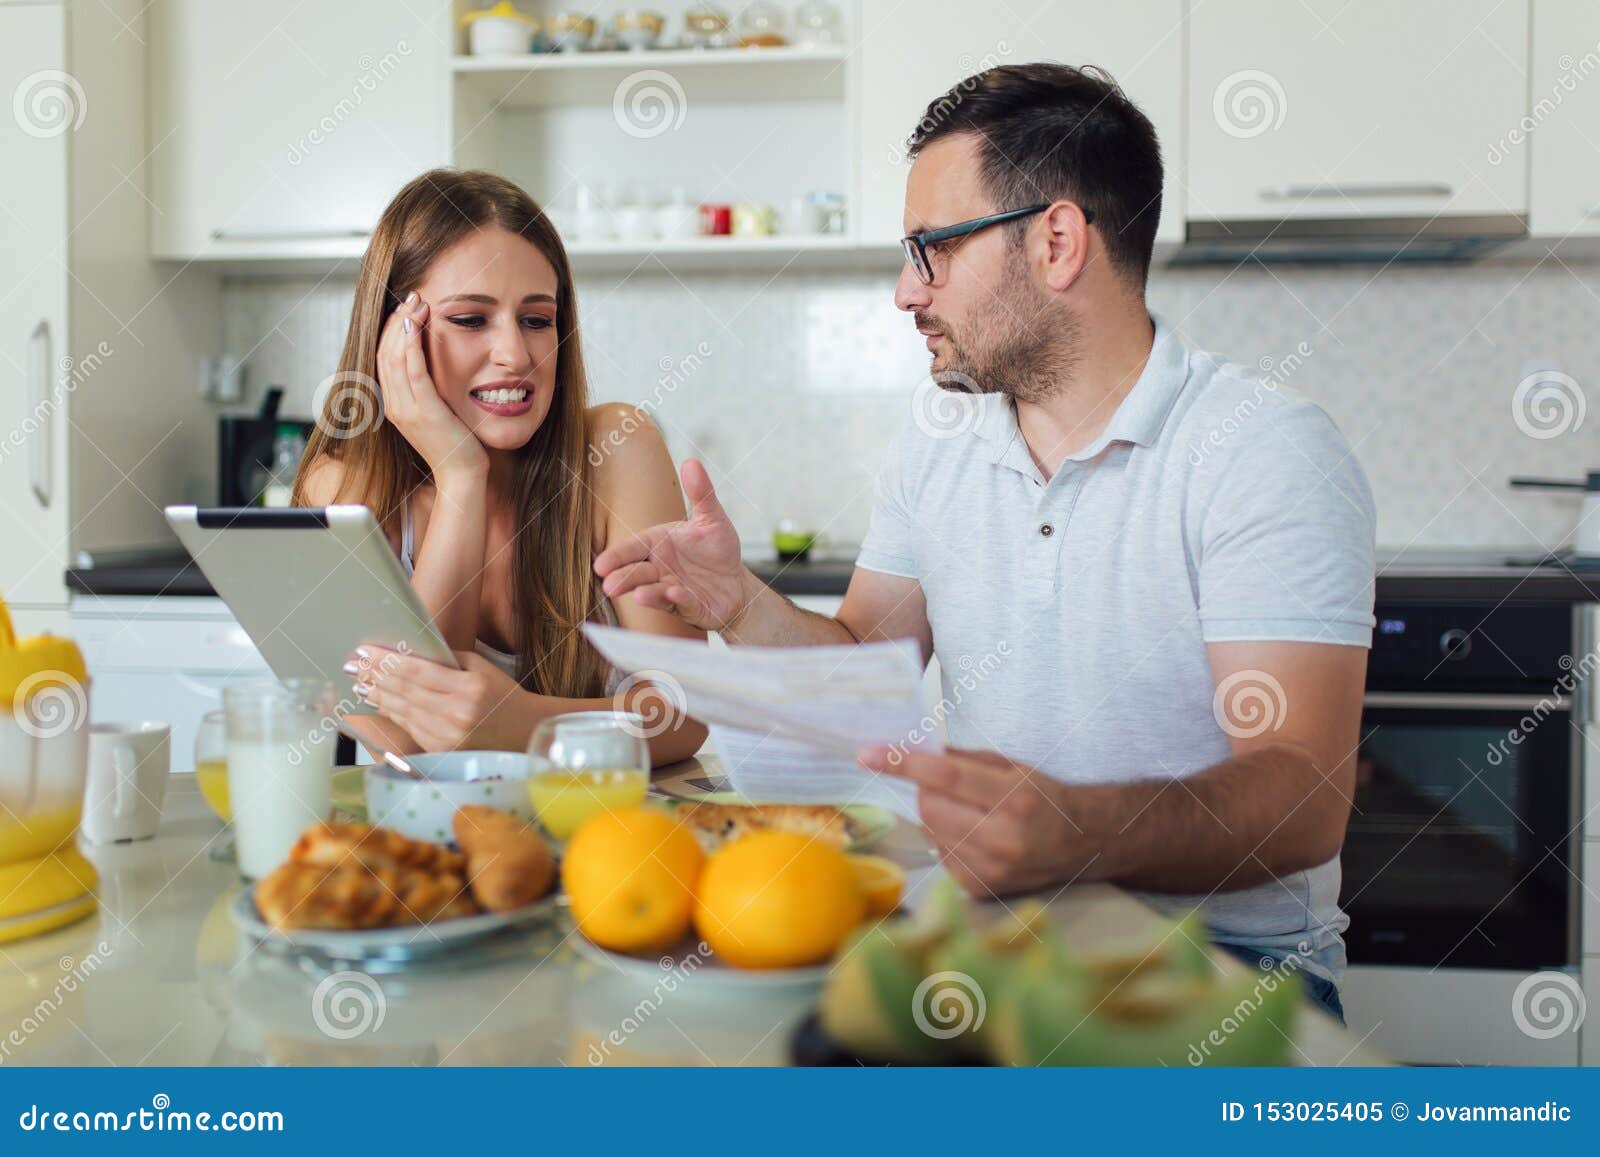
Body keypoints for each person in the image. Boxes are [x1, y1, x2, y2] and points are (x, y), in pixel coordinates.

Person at [593, 64, 1374, 1021]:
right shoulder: (942, 435)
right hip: (992, 944)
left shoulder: (1260, 447)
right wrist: (741, 606)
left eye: (931, 249)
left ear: (1056, 242)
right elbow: (865, 660)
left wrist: (1079, 831)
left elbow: (1302, 794)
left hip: (1223, 970)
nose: (904, 292)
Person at [293, 168, 706, 765]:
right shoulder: (342, 490)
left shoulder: (618, 447)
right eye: (470, 319)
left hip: (614, 819)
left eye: (536, 320)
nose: (515, 355)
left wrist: (524, 723)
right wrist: (460, 475)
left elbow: (686, 714)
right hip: (434, 826)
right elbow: (408, 745)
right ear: (394, 335)